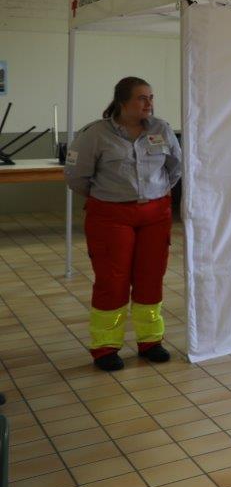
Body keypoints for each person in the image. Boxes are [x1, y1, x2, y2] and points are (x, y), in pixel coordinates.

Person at [64, 77, 181, 371]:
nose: (149, 103)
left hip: (155, 215)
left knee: (150, 278)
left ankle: (150, 341)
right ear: (122, 102)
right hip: (111, 216)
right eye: (142, 98)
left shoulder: (161, 129)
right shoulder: (95, 134)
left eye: (151, 97)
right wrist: (110, 196)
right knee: (112, 280)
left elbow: (175, 169)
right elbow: (76, 177)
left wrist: (153, 194)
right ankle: (105, 347)